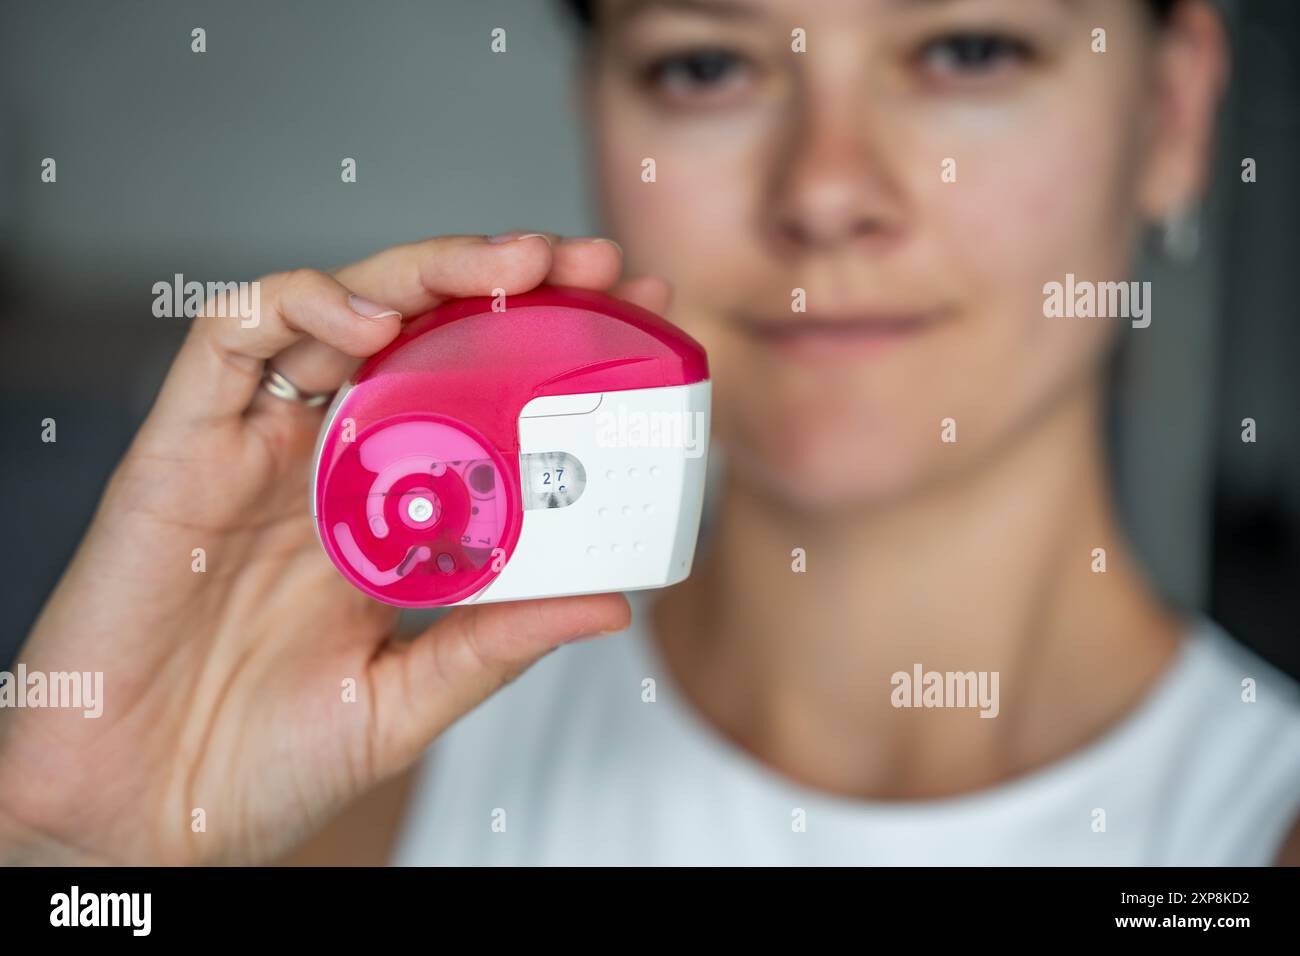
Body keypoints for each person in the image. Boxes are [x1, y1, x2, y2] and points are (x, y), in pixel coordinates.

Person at [3, 0, 1297, 865]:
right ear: (595, 109)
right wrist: (69, 855)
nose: (826, 191)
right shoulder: (343, 781)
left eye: (967, 49)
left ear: (1174, 111)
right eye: (707, 65)